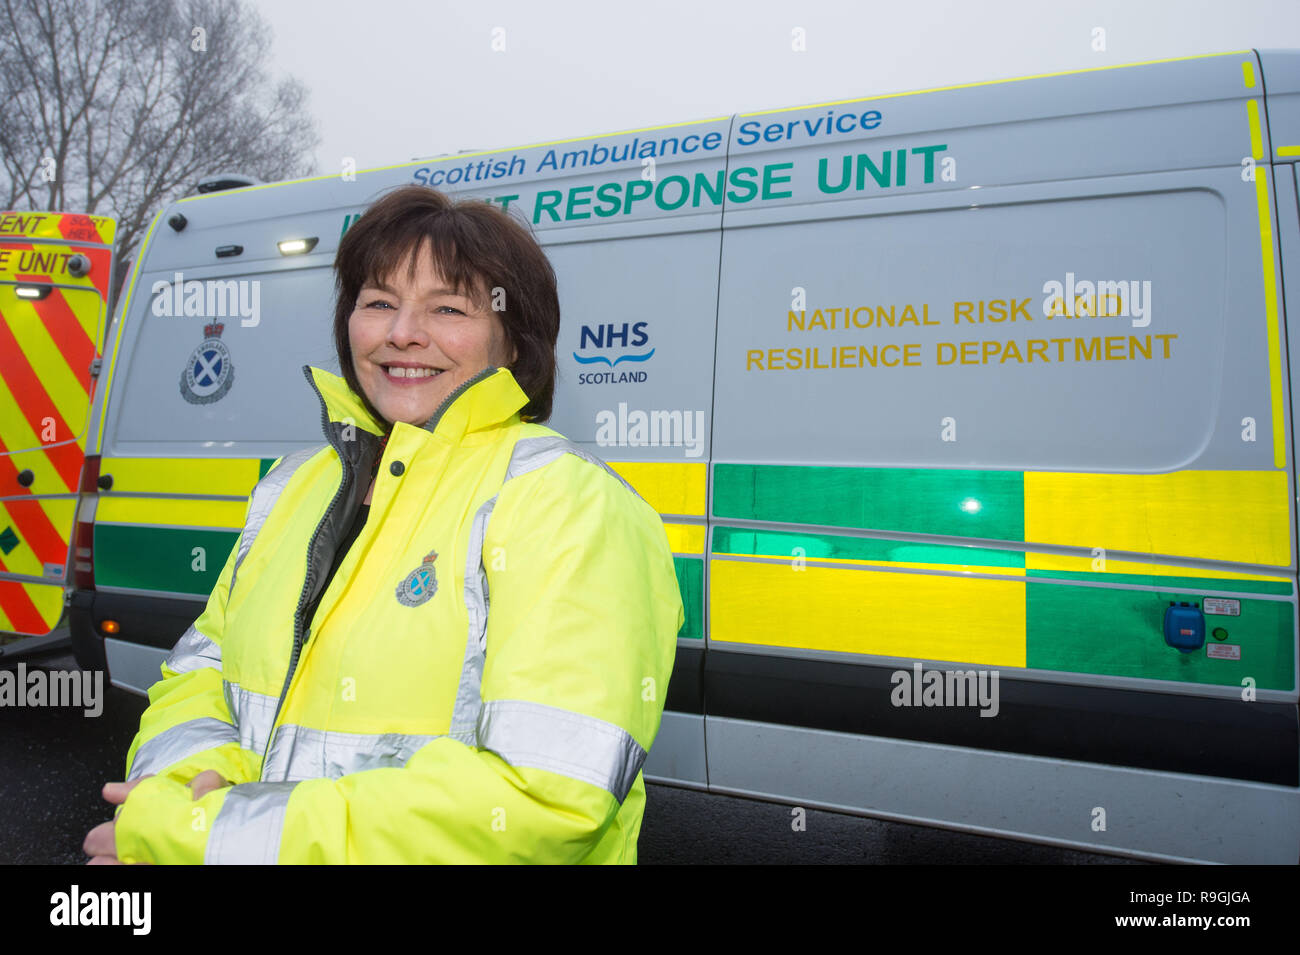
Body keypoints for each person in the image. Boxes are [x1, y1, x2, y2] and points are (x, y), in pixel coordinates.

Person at [83, 184, 683, 864]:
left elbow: (540, 796)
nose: (402, 333)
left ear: (514, 342)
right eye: (378, 302)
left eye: (448, 307)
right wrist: (188, 793)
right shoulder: (293, 486)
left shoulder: (566, 504)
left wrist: (216, 838)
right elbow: (203, 672)